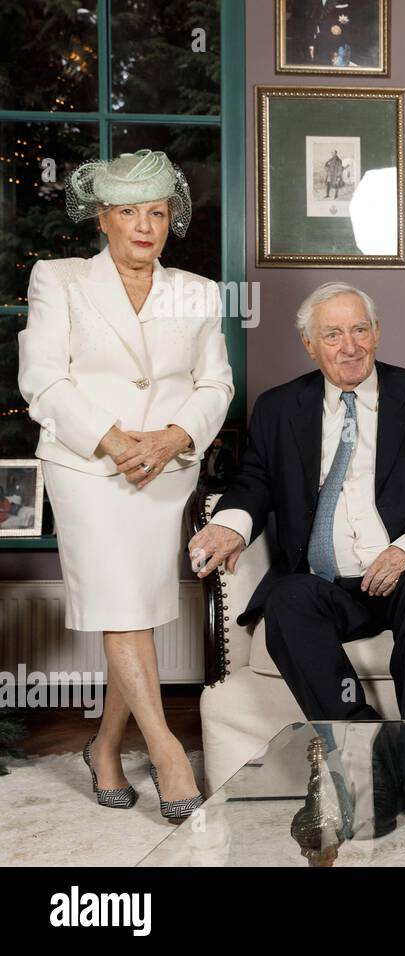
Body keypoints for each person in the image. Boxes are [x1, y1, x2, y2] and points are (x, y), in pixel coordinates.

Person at [187, 281, 405, 833]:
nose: (350, 346)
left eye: (360, 330)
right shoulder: (278, 408)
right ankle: (367, 757)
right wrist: (231, 524)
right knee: (287, 603)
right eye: (332, 334)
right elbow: (256, 480)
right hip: (325, 582)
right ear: (308, 344)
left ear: (378, 333)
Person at [18, 148, 233, 820]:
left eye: (158, 212)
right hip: (88, 466)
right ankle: (168, 753)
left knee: (132, 611)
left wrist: (174, 437)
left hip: (166, 468)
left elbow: (215, 384)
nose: (145, 225)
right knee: (121, 607)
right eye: (129, 212)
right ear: (103, 219)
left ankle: (105, 746)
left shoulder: (197, 292)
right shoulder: (58, 280)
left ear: (171, 220)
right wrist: (113, 441)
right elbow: (43, 380)